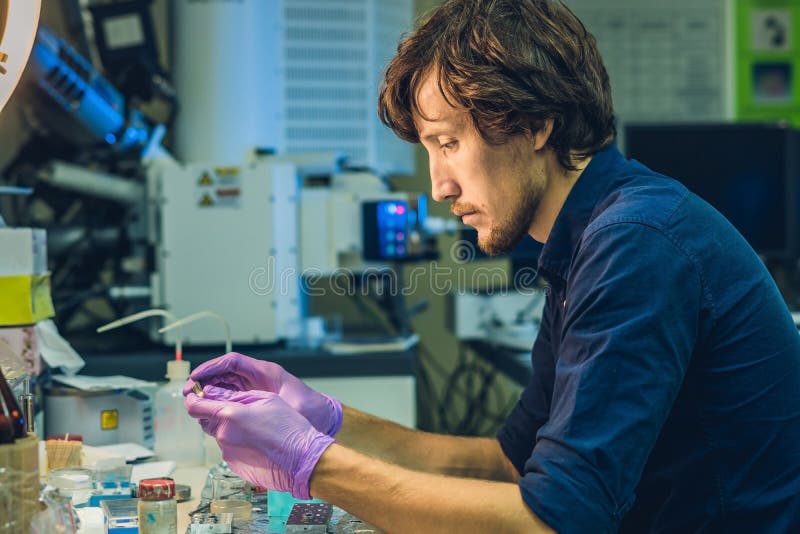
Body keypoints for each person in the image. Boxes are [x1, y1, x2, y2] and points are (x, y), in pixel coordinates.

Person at [183, 0, 800, 532]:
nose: (439, 187)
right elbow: (508, 463)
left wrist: (311, 464)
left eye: (449, 144)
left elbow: (558, 519)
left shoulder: (635, 242)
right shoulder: (587, 240)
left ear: (533, 124)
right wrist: (326, 420)